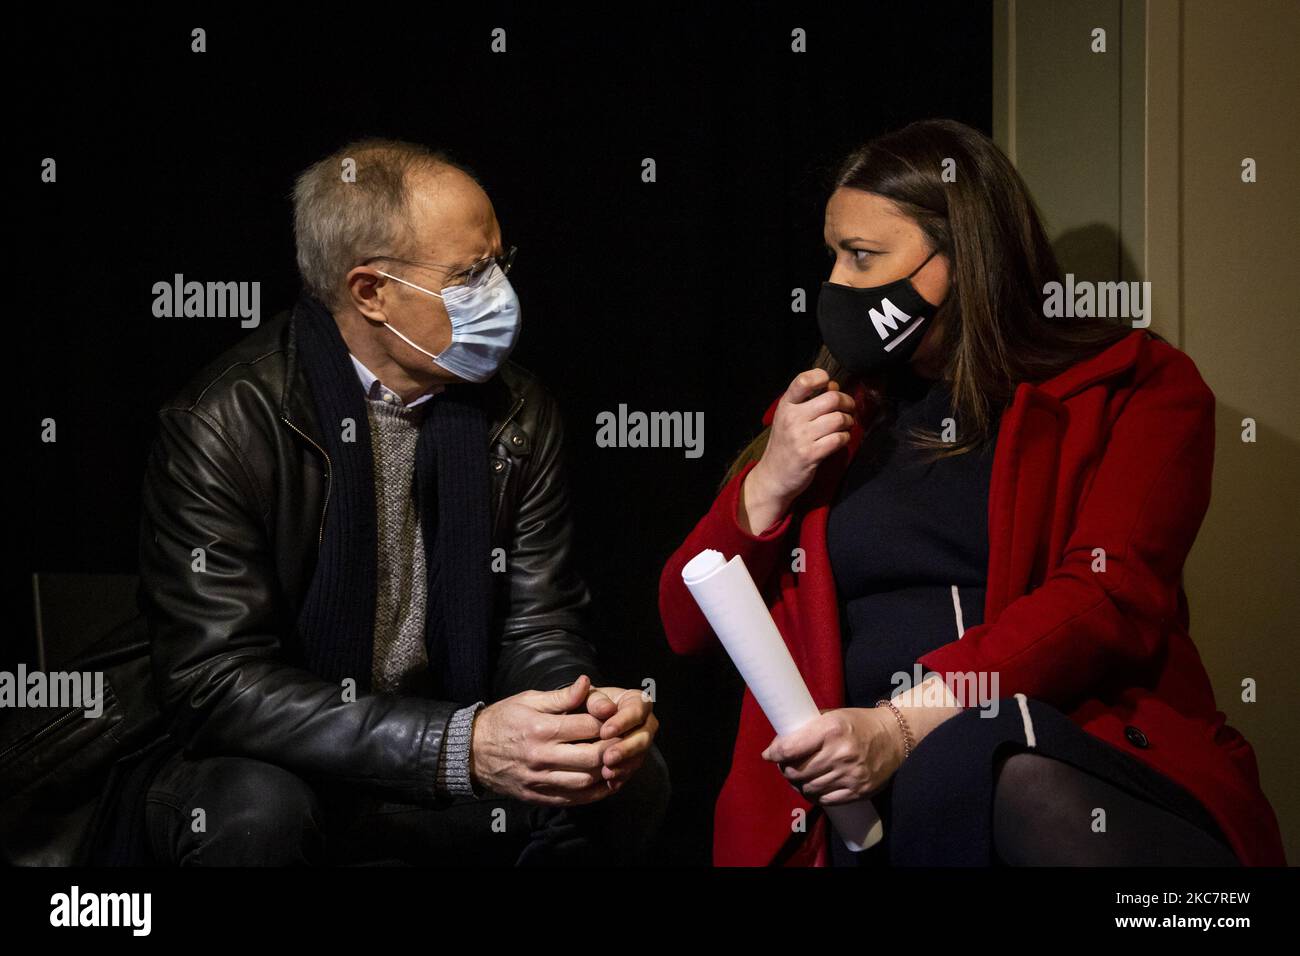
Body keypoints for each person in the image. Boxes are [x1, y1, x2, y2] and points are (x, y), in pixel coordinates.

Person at [657, 118, 1286, 867]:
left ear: (960, 258)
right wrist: (768, 484)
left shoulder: (1136, 388)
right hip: (849, 805)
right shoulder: (827, 417)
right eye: (833, 257)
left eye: (862, 258)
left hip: (1058, 756)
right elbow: (685, 626)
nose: (836, 286)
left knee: (960, 755)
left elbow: (1108, 598)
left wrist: (903, 725)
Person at [121, 138, 667, 865]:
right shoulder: (226, 421)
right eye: (471, 273)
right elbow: (217, 686)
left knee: (619, 777)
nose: (501, 293)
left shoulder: (518, 411)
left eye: (501, 263)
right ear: (370, 292)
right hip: (276, 761)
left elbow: (538, 624)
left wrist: (576, 715)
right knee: (259, 812)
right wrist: (456, 745)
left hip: (453, 733)